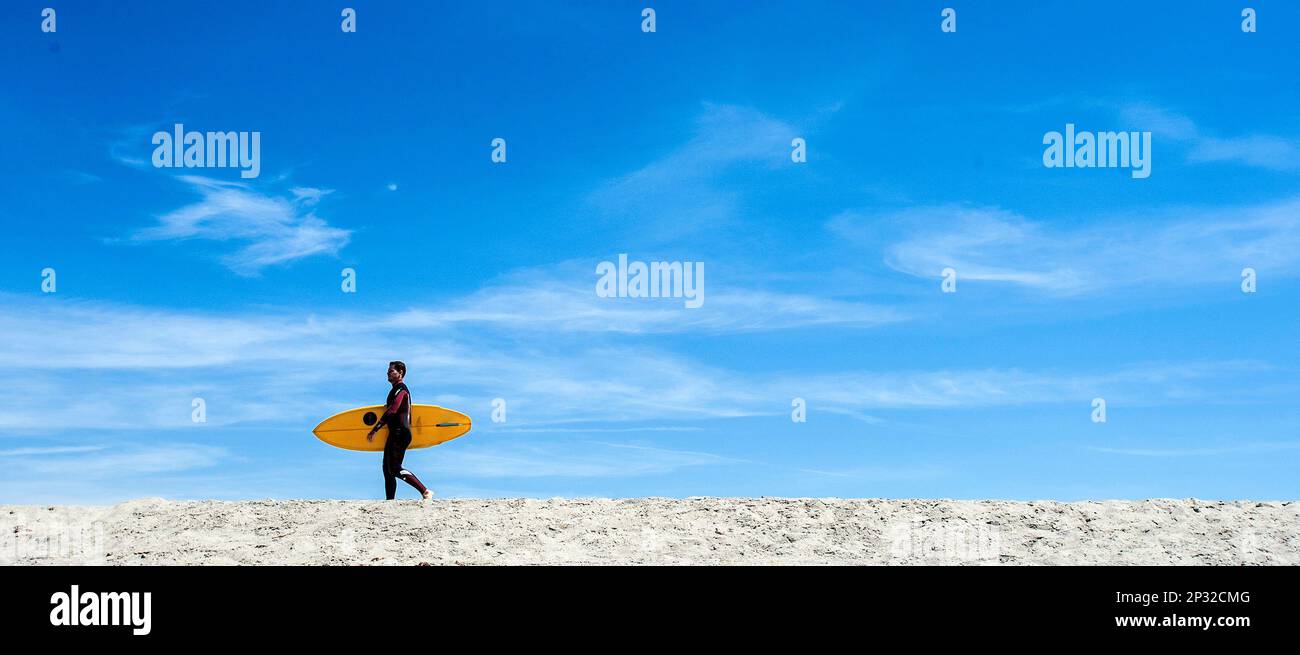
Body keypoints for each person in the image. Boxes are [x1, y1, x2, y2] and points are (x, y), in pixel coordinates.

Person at [366, 360, 433, 500]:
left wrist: (376, 428)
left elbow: (393, 410)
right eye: (388, 371)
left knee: (395, 468)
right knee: (387, 469)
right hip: (396, 432)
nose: (388, 373)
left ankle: (425, 491)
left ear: (400, 373)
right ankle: (390, 501)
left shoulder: (401, 389)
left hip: (400, 432)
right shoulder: (395, 390)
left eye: (391, 371)